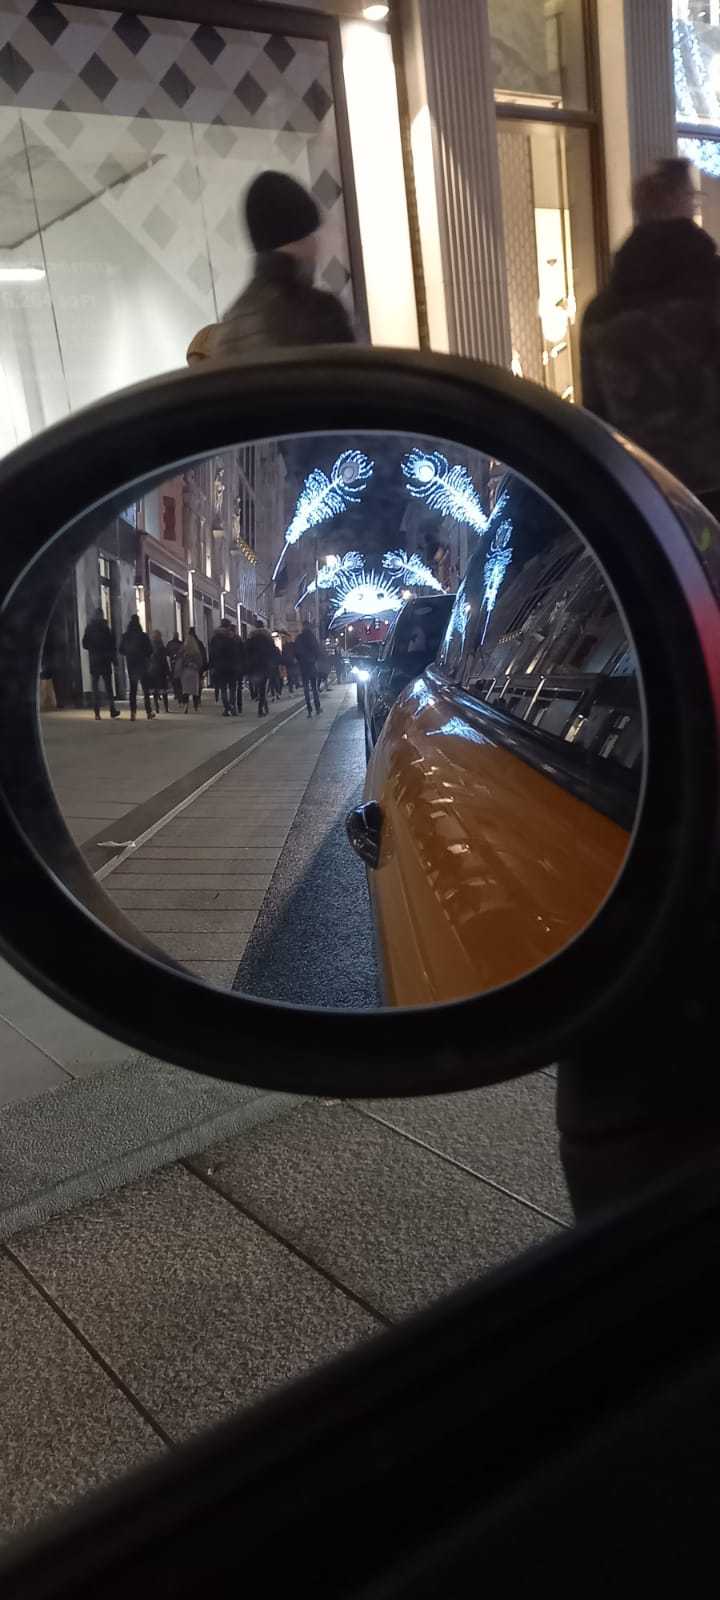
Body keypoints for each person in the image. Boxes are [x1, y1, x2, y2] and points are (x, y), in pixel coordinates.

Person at [580, 156, 720, 515]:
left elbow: (597, 420)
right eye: (694, 197)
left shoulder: (603, 312)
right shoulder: (712, 290)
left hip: (650, 502)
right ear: (684, 205)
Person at [212, 171, 355, 362]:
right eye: (313, 235)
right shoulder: (323, 313)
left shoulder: (229, 327)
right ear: (304, 239)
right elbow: (358, 387)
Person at [82, 607, 120, 720]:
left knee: (95, 688)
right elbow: (112, 646)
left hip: (94, 661)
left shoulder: (89, 628)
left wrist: (93, 648)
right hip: (105, 661)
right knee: (109, 688)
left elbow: (84, 644)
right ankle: (112, 710)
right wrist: (115, 661)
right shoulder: (106, 628)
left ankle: (97, 713)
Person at [119, 615, 154, 721]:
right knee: (145, 690)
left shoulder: (126, 636)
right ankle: (148, 712)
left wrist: (129, 654)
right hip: (142, 664)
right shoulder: (143, 636)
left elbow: (121, 650)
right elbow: (150, 650)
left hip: (131, 665)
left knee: (133, 690)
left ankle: (133, 713)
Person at [245, 624, 277, 717]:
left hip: (254, 667)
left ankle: (264, 705)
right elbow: (273, 652)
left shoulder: (251, 639)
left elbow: (246, 652)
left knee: (258, 687)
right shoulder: (268, 640)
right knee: (263, 688)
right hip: (265, 666)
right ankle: (261, 708)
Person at [294, 619, 324, 718]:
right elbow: (317, 651)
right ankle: (317, 707)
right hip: (311, 665)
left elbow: (296, 652)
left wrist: (300, 660)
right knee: (314, 688)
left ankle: (309, 710)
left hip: (303, 666)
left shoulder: (299, 638)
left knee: (306, 689)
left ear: (303, 627)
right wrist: (315, 659)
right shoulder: (312, 637)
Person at [209, 619, 238, 718]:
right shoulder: (231, 638)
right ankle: (232, 706)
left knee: (223, 688)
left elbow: (212, 654)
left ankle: (226, 708)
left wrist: (212, 666)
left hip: (220, 667)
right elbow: (235, 653)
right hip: (231, 666)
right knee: (233, 688)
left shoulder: (215, 639)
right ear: (228, 626)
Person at [179, 628, 205, 714]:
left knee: (185, 690)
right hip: (194, 672)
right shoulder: (196, 651)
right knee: (194, 690)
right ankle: (195, 706)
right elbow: (200, 662)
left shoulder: (183, 650)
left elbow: (180, 661)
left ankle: (185, 706)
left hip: (185, 672)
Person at [150, 631, 170, 714]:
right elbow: (164, 660)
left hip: (153, 670)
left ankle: (157, 707)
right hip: (161, 670)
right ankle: (165, 708)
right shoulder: (161, 646)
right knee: (164, 690)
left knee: (155, 690)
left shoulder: (150, 646)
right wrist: (168, 671)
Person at [231, 628, 246, 714]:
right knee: (238, 687)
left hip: (233, 668)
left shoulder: (228, 641)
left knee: (234, 687)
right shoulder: (239, 641)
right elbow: (244, 655)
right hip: (238, 667)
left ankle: (234, 705)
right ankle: (238, 705)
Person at [166, 635, 183, 704]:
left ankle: (176, 693)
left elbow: (166, 653)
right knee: (179, 680)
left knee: (174, 680)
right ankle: (179, 693)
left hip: (172, 664)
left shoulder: (169, 644)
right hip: (179, 664)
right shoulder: (181, 643)